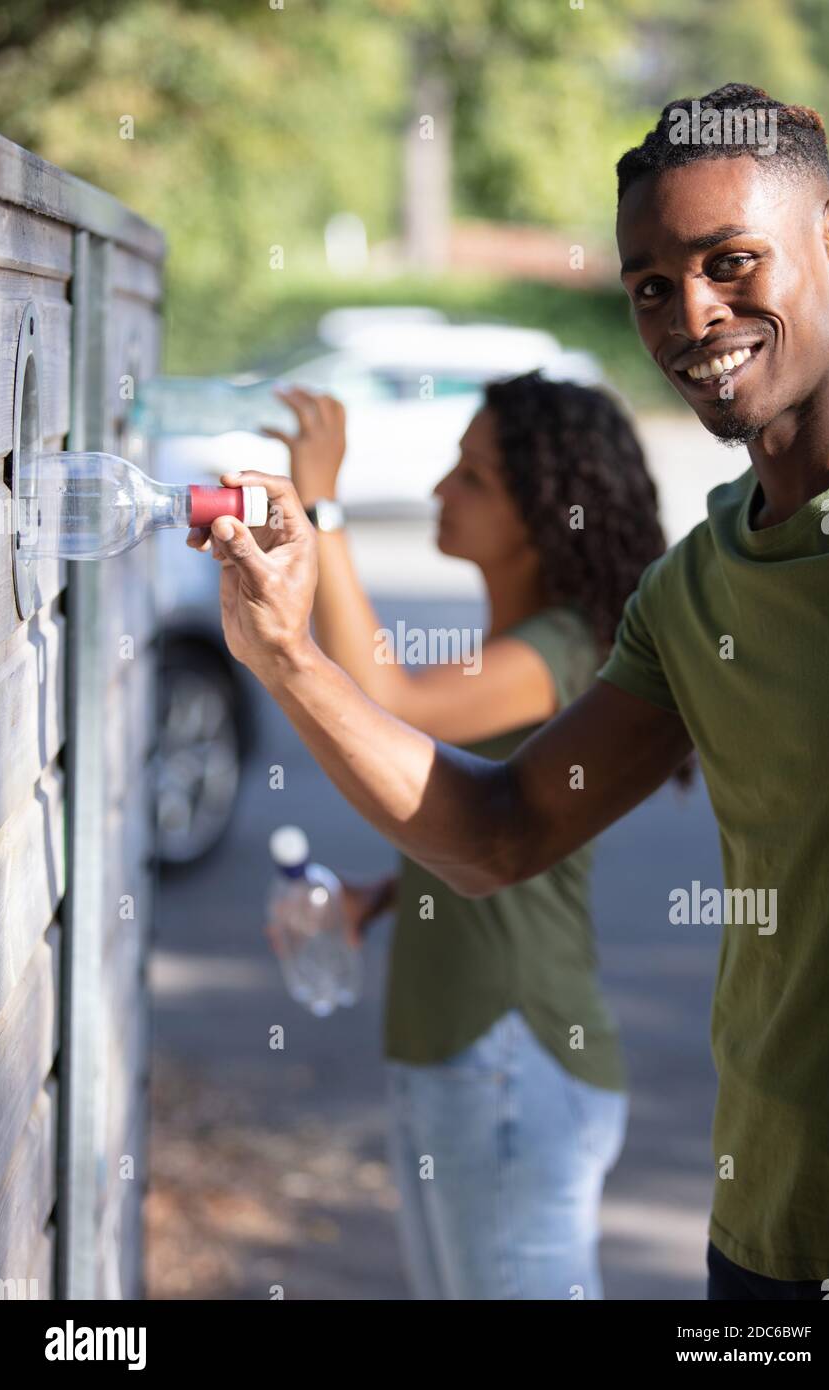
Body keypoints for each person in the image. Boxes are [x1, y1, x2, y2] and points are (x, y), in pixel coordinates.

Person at [190, 83, 829, 1301]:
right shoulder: (688, 594)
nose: (691, 314)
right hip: (764, 1237)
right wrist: (284, 655)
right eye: (649, 285)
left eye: (729, 261)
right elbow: (496, 831)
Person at [191, 371, 675, 1300]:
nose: (439, 490)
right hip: (461, 1047)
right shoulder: (517, 641)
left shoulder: (562, 649)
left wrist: (320, 505)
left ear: (544, 515)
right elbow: (474, 826)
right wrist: (380, 896)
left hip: (510, 1049)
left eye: (474, 477)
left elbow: (388, 704)